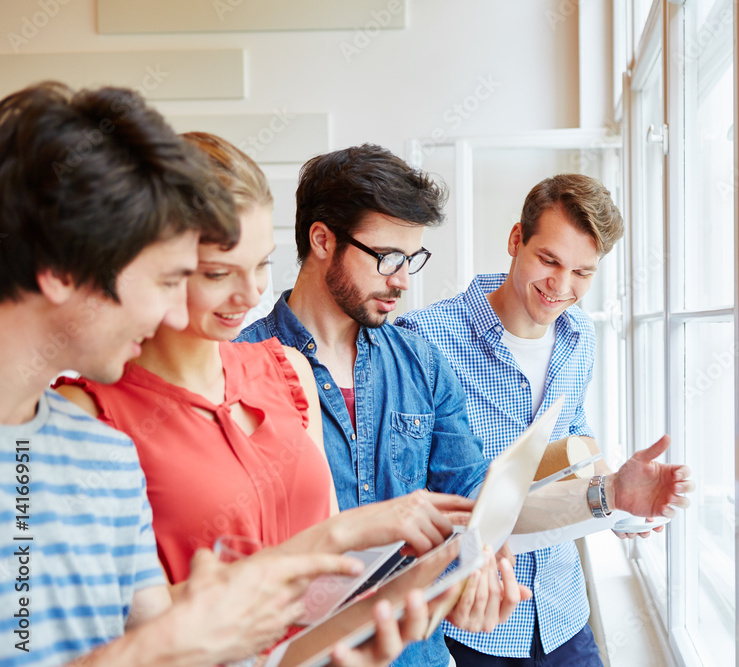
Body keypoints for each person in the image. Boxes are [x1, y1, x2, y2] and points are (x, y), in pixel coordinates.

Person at [0, 83, 428, 667]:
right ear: (61, 270)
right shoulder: (98, 420)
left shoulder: (96, 451)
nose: (172, 311)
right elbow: (154, 642)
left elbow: (152, 631)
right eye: (167, 279)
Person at [236, 144, 693, 667]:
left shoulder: (421, 364)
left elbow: (478, 506)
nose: (403, 280)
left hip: (421, 653)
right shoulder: (237, 370)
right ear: (322, 240)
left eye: (412, 260)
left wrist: (609, 496)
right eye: (388, 257)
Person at [55, 131, 466, 587]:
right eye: (218, 273)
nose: (251, 294)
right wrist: (343, 534)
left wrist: (423, 596)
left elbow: (328, 586)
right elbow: (122, 615)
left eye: (262, 265)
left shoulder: (289, 371)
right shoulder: (85, 417)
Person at [397, 174, 636, 664]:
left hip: (563, 610)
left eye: (582, 272)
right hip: (474, 622)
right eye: (549, 260)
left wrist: (618, 499)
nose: (561, 286)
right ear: (515, 240)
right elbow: (402, 485)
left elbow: (574, 429)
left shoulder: (580, 336)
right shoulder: (423, 338)